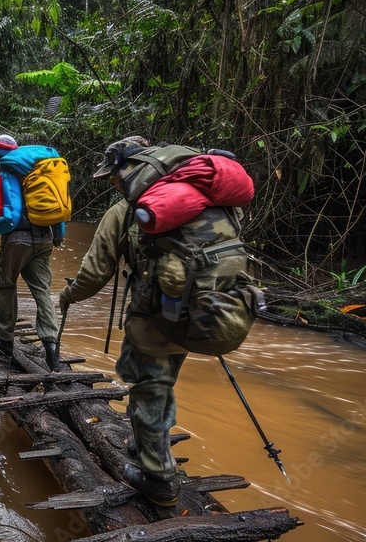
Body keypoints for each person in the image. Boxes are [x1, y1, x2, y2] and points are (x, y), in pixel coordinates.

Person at [57, 136, 259, 506]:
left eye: (114, 177)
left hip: (154, 320)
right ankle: (149, 440)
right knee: (164, 380)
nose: (115, 184)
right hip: (202, 309)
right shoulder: (208, 203)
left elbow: (94, 273)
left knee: (150, 385)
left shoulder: (126, 211)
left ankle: (159, 480)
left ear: (124, 171)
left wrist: (68, 296)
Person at [0, 134, 64, 371]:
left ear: (0, 158)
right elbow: (59, 210)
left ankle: (4, 339)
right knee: (42, 291)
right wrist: (58, 235)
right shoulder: (42, 171)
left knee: (5, 285)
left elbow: (11, 217)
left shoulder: (6, 174)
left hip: (17, 239)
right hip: (45, 237)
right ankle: (51, 346)